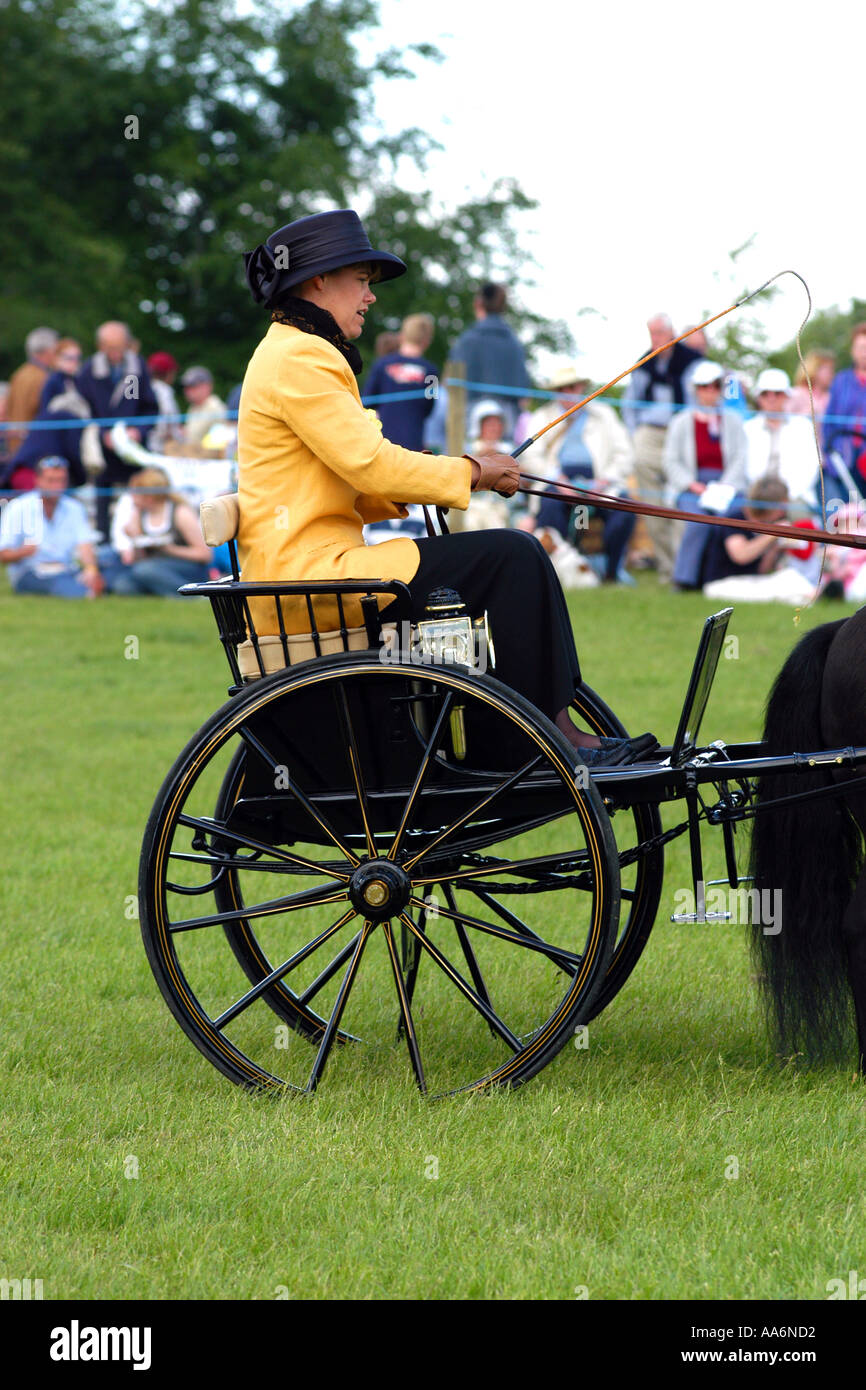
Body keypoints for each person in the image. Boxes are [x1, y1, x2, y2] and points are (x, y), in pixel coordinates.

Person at [238, 209, 654, 765]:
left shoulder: (295, 351)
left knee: (509, 555)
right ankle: (538, 740)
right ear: (318, 281)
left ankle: (537, 731)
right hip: (311, 583)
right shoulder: (302, 356)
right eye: (361, 281)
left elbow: (357, 481)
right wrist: (471, 472)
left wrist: (430, 476)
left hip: (318, 570)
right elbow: (370, 465)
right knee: (512, 555)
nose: (370, 297)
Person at [522, 365, 636, 583]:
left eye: (572, 387)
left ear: (582, 387)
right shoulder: (541, 416)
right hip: (557, 483)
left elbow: (625, 453)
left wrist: (604, 481)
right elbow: (531, 456)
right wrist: (558, 479)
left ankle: (611, 572)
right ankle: (552, 575)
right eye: (562, 388)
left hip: (600, 486)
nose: (568, 392)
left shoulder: (605, 415)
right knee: (550, 505)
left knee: (625, 510)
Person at [624, 313, 701, 583]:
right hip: (649, 434)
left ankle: (685, 570)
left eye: (659, 333)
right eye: (651, 333)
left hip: (681, 433)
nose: (655, 339)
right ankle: (667, 570)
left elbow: (699, 400)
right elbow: (630, 404)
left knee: (681, 500)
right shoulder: (643, 364)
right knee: (652, 505)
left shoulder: (692, 361)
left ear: (671, 332)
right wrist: (637, 435)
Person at [665, 360, 749, 588]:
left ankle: (720, 578)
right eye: (704, 386)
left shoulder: (732, 420)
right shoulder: (681, 421)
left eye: (714, 386)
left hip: (726, 486)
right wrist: (692, 485)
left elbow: (740, 457)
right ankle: (685, 579)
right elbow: (671, 461)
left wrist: (725, 486)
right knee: (698, 522)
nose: (709, 392)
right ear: (696, 389)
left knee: (733, 517)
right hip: (692, 487)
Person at [76, 321, 159, 540]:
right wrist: (102, 433)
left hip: (134, 447)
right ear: (100, 346)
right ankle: (104, 539)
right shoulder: (88, 371)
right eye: (110, 348)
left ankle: (141, 536)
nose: (115, 353)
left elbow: (150, 408)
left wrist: (137, 431)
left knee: (141, 491)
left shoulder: (137, 367)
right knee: (102, 493)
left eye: (120, 347)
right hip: (104, 449)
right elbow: (84, 410)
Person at [0, 456, 105, 597]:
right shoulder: (19, 508)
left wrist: (91, 570)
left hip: (66, 569)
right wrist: (24, 552)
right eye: (51, 481)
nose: (57, 487)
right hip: (30, 572)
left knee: (108, 570)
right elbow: (3, 554)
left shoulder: (74, 508)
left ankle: (83, 587)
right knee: (63, 586)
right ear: (37, 480)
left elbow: (84, 544)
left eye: (61, 481)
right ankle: (81, 591)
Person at [3, 338, 90, 490]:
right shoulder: (47, 381)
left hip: (27, 454)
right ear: (54, 357)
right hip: (35, 463)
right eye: (69, 358)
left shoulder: (20, 374)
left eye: (77, 358)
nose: (75, 362)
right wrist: (81, 478)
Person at [110, 466, 212, 595]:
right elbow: (137, 559)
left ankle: (187, 596)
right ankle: (162, 590)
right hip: (152, 566)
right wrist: (134, 539)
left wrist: (169, 549)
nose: (132, 497)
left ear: (149, 496)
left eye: (135, 493)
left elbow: (205, 555)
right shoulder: (138, 514)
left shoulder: (180, 513)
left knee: (145, 570)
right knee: (123, 585)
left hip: (186, 567)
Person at [449, 282, 531, 437]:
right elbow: (524, 396)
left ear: (478, 303)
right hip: (508, 424)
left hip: (470, 424)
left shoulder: (465, 341)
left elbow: (453, 389)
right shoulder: (515, 344)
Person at [743, 368, 819, 510]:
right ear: (759, 398)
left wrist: (787, 497)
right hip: (756, 499)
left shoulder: (803, 426)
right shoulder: (748, 428)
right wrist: (761, 496)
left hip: (796, 498)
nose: (771, 398)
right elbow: (746, 469)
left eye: (777, 393)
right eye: (765, 394)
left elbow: (811, 467)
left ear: (786, 396)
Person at [362, 312, 438, 449]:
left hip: (381, 441)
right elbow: (429, 409)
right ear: (427, 341)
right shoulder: (432, 372)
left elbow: (367, 401)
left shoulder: (382, 364)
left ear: (401, 336)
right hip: (413, 441)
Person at [5, 328, 59, 456]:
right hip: (33, 447)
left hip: (16, 445)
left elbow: (9, 409)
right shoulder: (44, 378)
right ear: (47, 352)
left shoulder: (19, 373)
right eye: (56, 351)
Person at [822, 324, 866, 482]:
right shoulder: (841, 380)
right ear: (853, 350)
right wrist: (828, 451)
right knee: (842, 504)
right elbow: (829, 419)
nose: (864, 353)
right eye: (861, 348)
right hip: (840, 456)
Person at [179, 366, 227, 448]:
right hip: (194, 457)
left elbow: (221, 439)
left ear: (207, 386)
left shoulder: (215, 407)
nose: (187, 391)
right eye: (186, 387)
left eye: (193, 386)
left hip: (209, 458)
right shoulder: (193, 407)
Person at [147, 352, 182, 451]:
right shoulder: (164, 391)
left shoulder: (144, 389)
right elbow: (167, 418)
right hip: (160, 448)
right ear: (169, 373)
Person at [789, 349, 835, 417]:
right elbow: (785, 419)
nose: (831, 374)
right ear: (815, 369)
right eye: (828, 369)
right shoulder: (796, 394)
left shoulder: (829, 397)